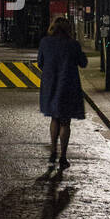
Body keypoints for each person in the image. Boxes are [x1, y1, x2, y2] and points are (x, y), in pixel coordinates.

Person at [37, 16, 88, 169]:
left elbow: (40, 63)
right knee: (65, 122)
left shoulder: (45, 42)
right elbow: (83, 63)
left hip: (51, 85)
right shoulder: (73, 44)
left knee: (54, 119)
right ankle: (63, 157)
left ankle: (53, 150)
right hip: (68, 85)